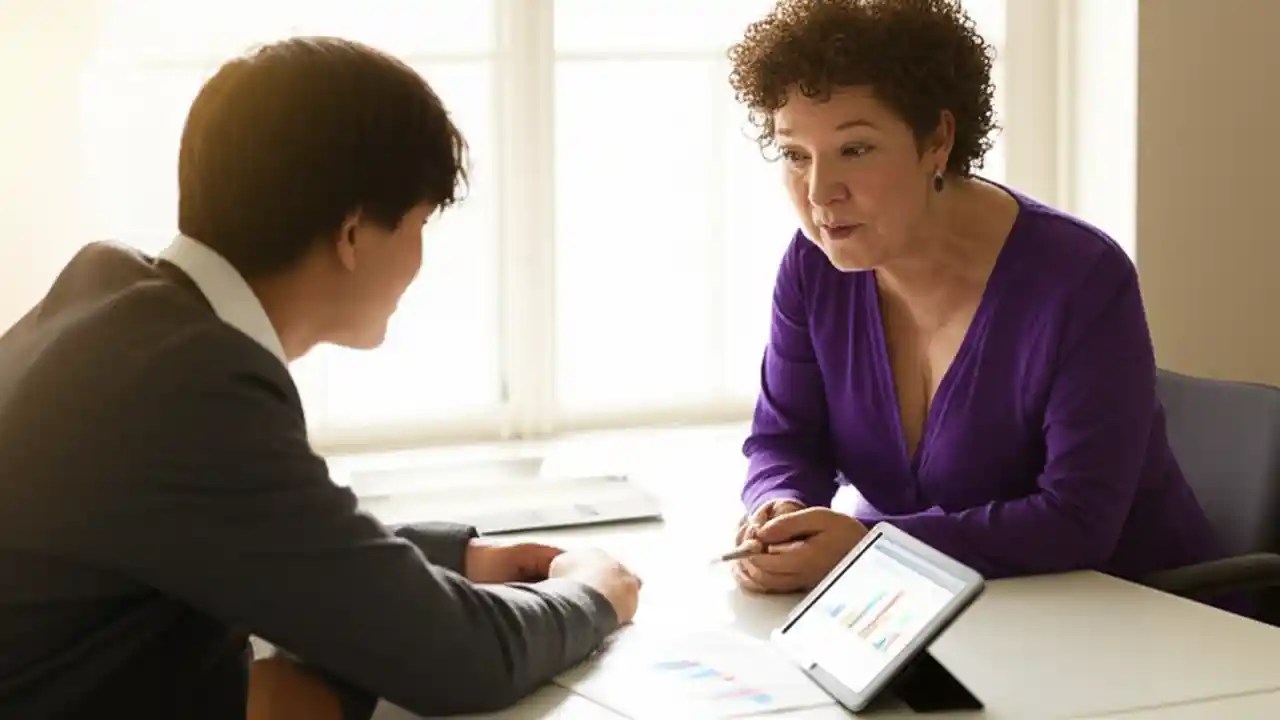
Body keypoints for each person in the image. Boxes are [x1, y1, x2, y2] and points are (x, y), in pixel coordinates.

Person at [0, 37, 640, 720]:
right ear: (353, 234)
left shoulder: (114, 296)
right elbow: (459, 660)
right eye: (420, 221)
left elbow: (251, 528)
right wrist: (591, 595)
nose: (422, 256)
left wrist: (458, 557)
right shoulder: (191, 385)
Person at [725, 0, 1226, 595]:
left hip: (1139, 615)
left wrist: (867, 547)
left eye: (854, 150)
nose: (819, 192)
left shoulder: (1081, 278)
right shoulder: (814, 265)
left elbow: (1078, 520)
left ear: (937, 139)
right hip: (936, 610)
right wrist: (780, 506)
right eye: (795, 155)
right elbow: (785, 438)